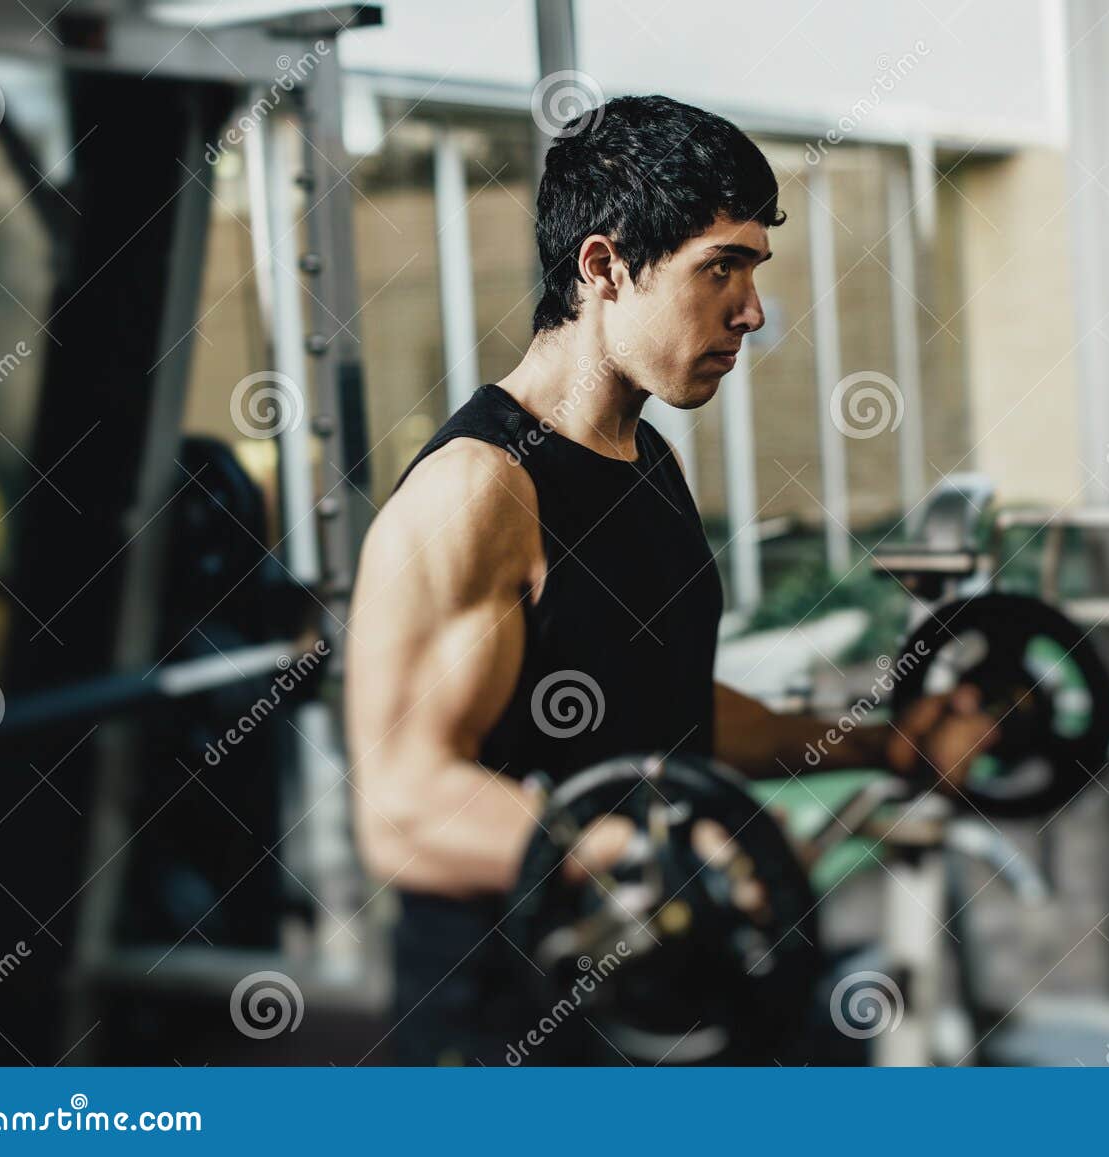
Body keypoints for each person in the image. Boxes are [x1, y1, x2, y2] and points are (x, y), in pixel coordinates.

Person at [344, 94, 998, 1065]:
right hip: (505, 1038)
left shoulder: (644, 457)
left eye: (753, 268)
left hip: (655, 1008)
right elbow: (404, 807)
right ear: (603, 267)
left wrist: (883, 743)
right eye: (719, 268)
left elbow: (665, 714)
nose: (752, 309)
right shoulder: (478, 490)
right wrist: (647, 855)